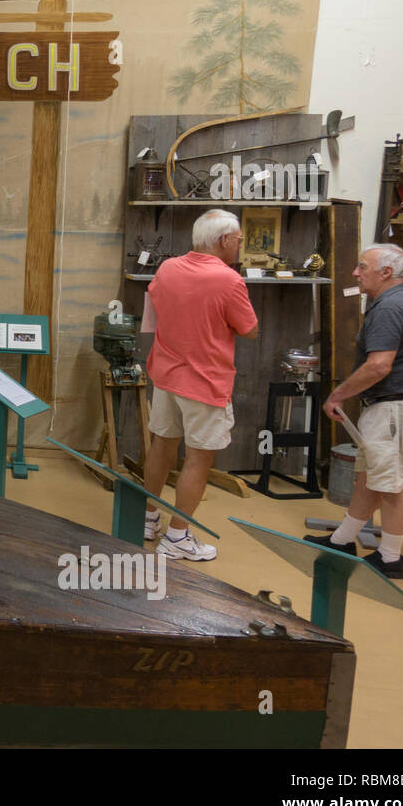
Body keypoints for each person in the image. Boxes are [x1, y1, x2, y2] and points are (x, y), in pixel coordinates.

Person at [306, 244, 403, 579]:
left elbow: (379, 366)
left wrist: (337, 395)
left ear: (386, 273)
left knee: (392, 488)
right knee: (370, 479)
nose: (355, 272)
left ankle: (391, 558)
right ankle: (343, 540)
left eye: (362, 266)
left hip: (397, 408)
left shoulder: (386, 308)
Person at [142, 209, 259, 561]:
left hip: (166, 376)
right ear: (224, 241)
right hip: (205, 383)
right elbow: (250, 329)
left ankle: (147, 520)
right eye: (238, 240)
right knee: (198, 459)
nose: (239, 246)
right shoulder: (228, 281)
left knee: (161, 447)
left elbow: (155, 309)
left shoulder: (168, 268)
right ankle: (178, 537)